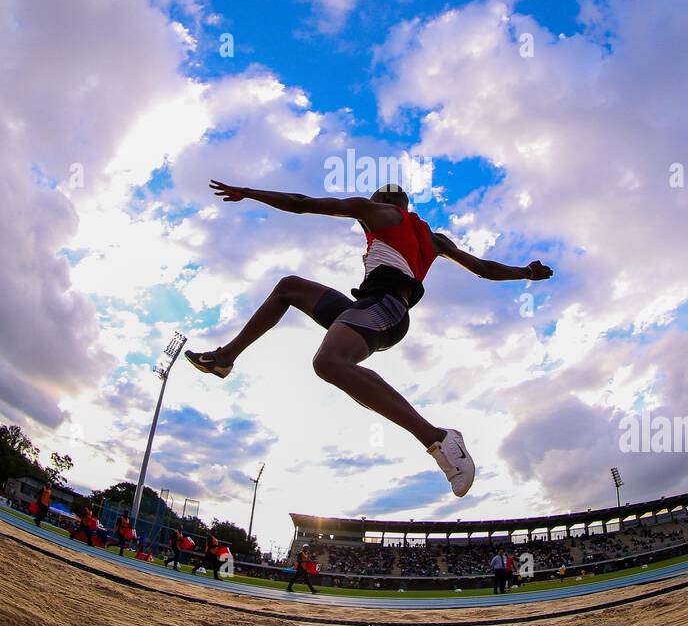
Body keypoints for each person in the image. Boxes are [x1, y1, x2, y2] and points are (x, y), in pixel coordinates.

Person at [184, 180, 554, 497]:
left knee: (328, 363)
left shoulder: (375, 212)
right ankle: (224, 358)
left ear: (379, 204)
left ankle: (437, 437)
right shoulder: (434, 238)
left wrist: (248, 192)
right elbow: (485, 270)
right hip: (368, 306)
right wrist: (526, 272)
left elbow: (302, 204)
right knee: (289, 288)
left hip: (385, 309)